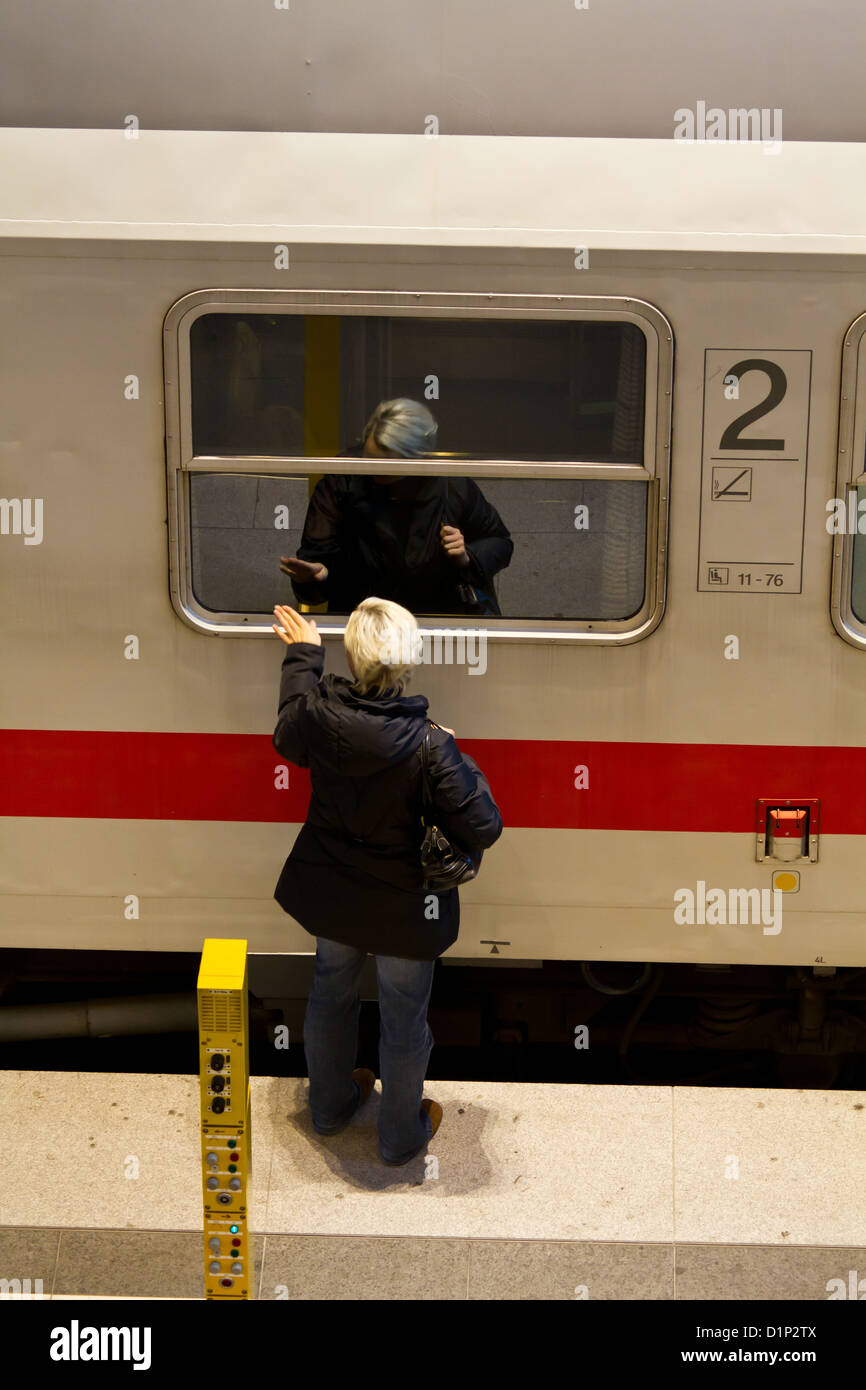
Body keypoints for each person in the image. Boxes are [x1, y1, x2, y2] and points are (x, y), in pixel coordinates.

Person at [271, 595, 503, 1166]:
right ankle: (399, 1138)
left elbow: (286, 734)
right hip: (405, 908)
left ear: (351, 657)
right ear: (408, 661)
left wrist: (304, 655)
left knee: (330, 993)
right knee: (403, 1018)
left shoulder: (320, 716)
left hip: (335, 894)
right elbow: (485, 825)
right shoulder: (428, 744)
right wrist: (454, 748)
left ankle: (328, 1109)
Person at [279, 398, 513, 617]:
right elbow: (317, 559)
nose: (372, 472)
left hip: (435, 616)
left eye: (384, 468)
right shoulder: (342, 480)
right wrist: (319, 575)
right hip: (366, 622)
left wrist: (467, 557)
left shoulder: (449, 485)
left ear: (415, 461)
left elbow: (500, 542)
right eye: (367, 459)